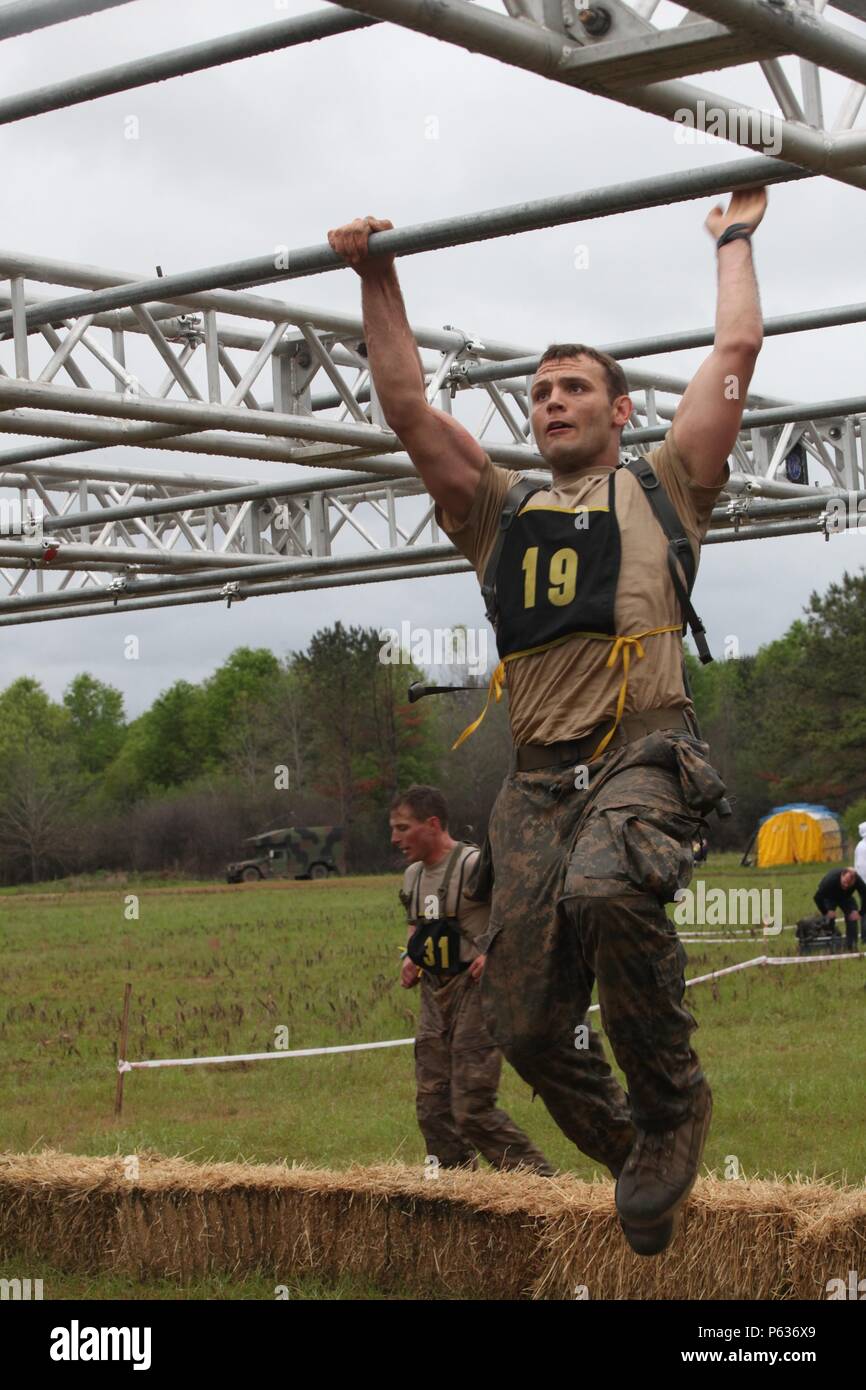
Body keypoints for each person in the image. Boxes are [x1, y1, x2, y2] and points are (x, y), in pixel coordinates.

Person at [331, 186, 766, 1255]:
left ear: (620, 411)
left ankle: (673, 1106)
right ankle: (634, 1151)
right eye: (538, 391)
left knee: (608, 885)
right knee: (520, 1023)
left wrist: (733, 239)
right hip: (533, 783)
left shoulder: (665, 487)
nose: (552, 401)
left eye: (574, 386)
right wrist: (373, 277)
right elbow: (404, 409)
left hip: (643, 752)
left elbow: (736, 350)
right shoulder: (499, 514)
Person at [390, 784, 554, 1175]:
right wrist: (409, 958)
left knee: (471, 1108)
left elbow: (522, 911)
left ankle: (542, 1187)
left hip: (478, 992)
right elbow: (419, 927)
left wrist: (493, 953)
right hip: (435, 994)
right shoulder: (412, 877)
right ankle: (459, 1192)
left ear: (432, 824)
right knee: (432, 1109)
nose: (395, 838)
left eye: (402, 828)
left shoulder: (474, 866)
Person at [813, 865, 866, 951]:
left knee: (852, 918)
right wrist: (826, 912)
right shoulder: (830, 881)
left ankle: (852, 947)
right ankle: (830, 947)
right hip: (829, 896)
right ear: (842, 875)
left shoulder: (857, 880)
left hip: (846, 898)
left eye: (849, 884)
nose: (846, 885)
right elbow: (817, 897)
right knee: (829, 920)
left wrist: (860, 913)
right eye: (844, 882)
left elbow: (865, 895)